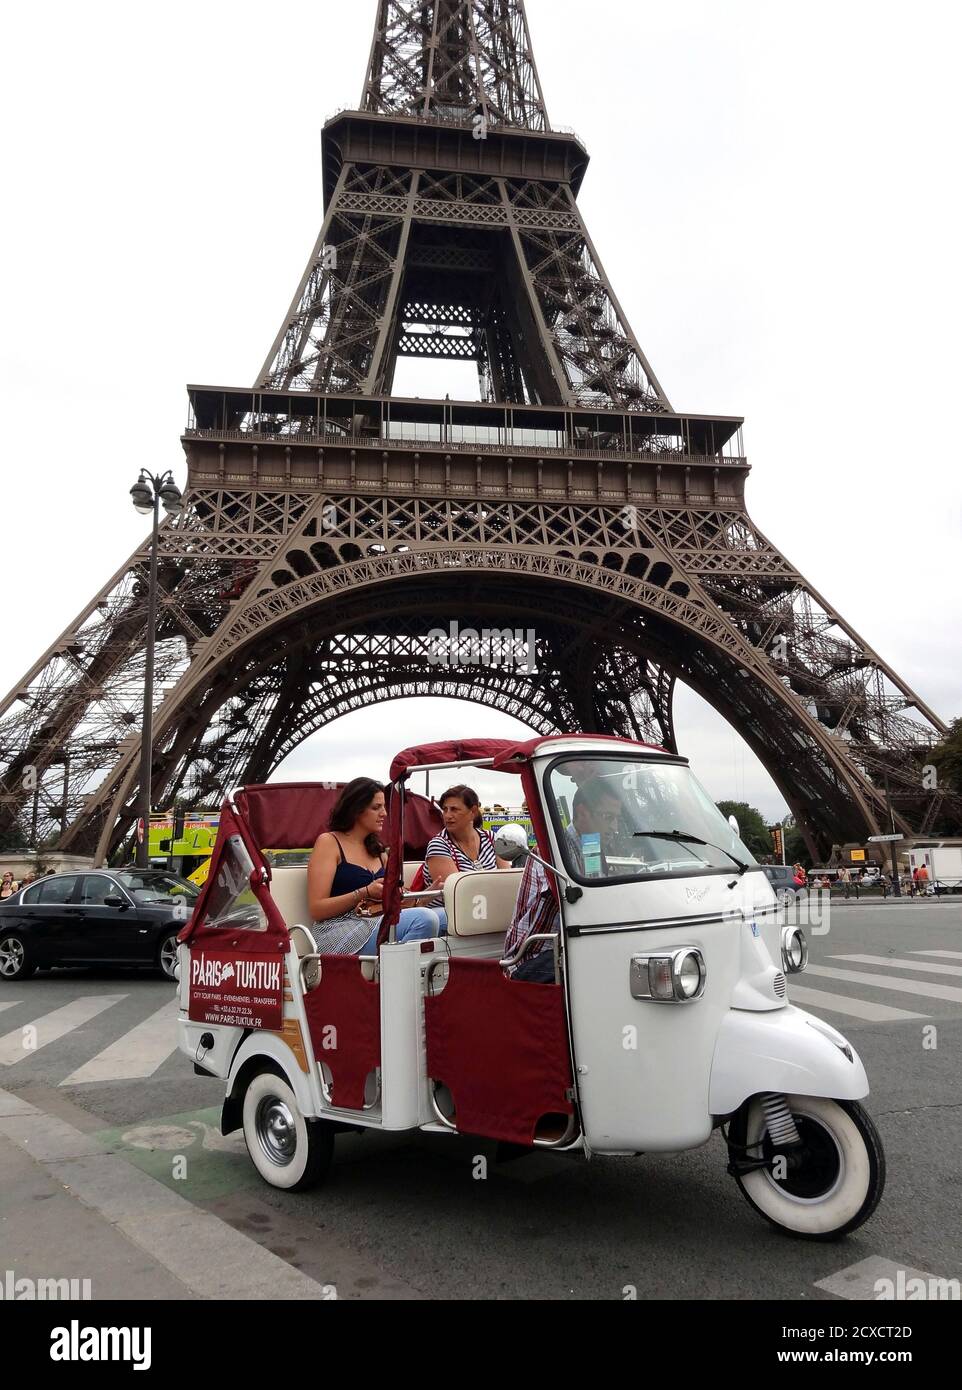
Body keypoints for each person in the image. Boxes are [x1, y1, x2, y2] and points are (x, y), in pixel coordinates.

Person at [307, 779, 444, 956]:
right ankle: (397, 979)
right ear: (356, 810)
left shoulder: (379, 851)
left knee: (444, 916)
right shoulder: (329, 842)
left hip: (376, 920)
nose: (384, 813)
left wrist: (422, 898)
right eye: (376, 807)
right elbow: (316, 909)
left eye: (384, 807)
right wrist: (363, 892)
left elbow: (392, 902)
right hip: (339, 929)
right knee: (424, 919)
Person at [505, 780, 619, 984]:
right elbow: (578, 905)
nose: (614, 827)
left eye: (616, 819)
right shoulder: (552, 852)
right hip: (531, 957)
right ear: (582, 812)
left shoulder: (591, 846)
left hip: (567, 947)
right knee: (603, 968)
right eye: (608, 817)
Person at [422, 785, 510, 890]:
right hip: (451, 906)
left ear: (473, 812)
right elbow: (456, 891)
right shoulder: (438, 845)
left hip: (490, 902)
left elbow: (507, 879)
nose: (447, 815)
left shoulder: (491, 838)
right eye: (445, 809)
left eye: (454, 809)